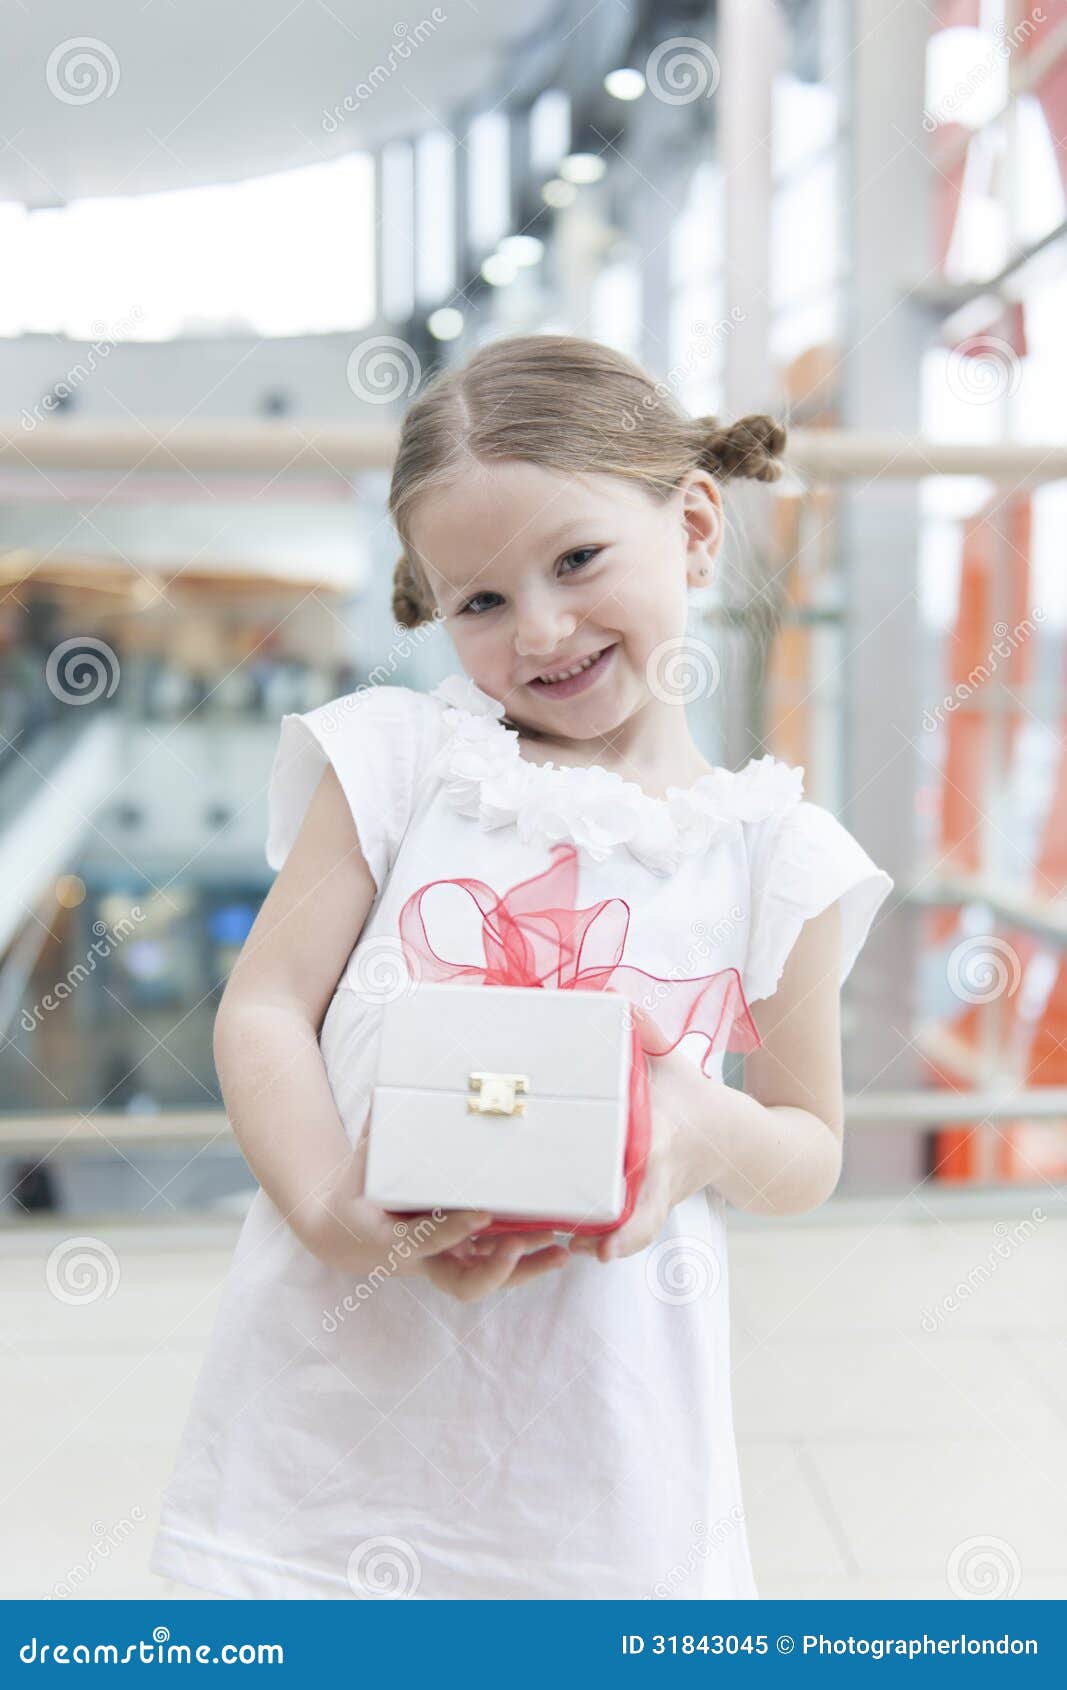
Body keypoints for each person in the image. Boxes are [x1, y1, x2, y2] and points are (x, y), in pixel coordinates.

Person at [150, 334, 893, 1600]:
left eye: (578, 560)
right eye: (479, 602)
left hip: (599, 1469)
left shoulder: (773, 852)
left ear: (695, 527)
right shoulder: (397, 761)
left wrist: (703, 1127)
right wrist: (329, 1205)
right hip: (328, 1431)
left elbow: (807, 1146)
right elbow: (267, 1004)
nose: (540, 629)